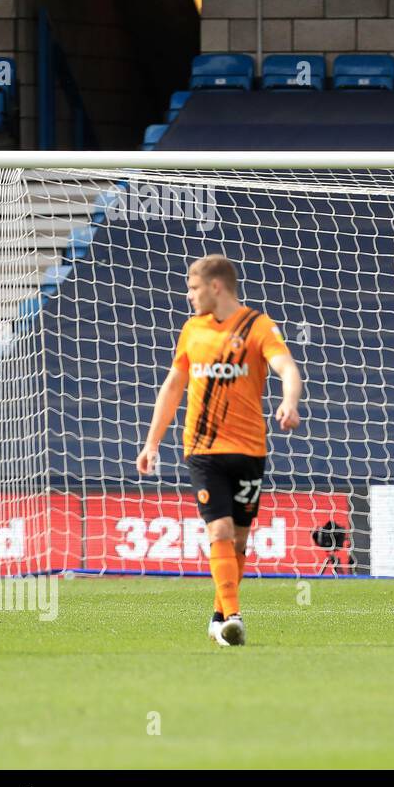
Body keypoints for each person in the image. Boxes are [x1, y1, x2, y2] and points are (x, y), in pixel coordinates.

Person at [135, 255, 302, 645]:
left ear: (216, 287)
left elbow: (288, 368)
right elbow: (173, 386)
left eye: (193, 288)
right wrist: (151, 442)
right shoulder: (192, 330)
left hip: (249, 449)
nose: (189, 295)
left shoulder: (257, 326)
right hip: (203, 447)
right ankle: (235, 616)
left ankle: (218, 616)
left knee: (239, 540)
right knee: (220, 529)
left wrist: (289, 401)